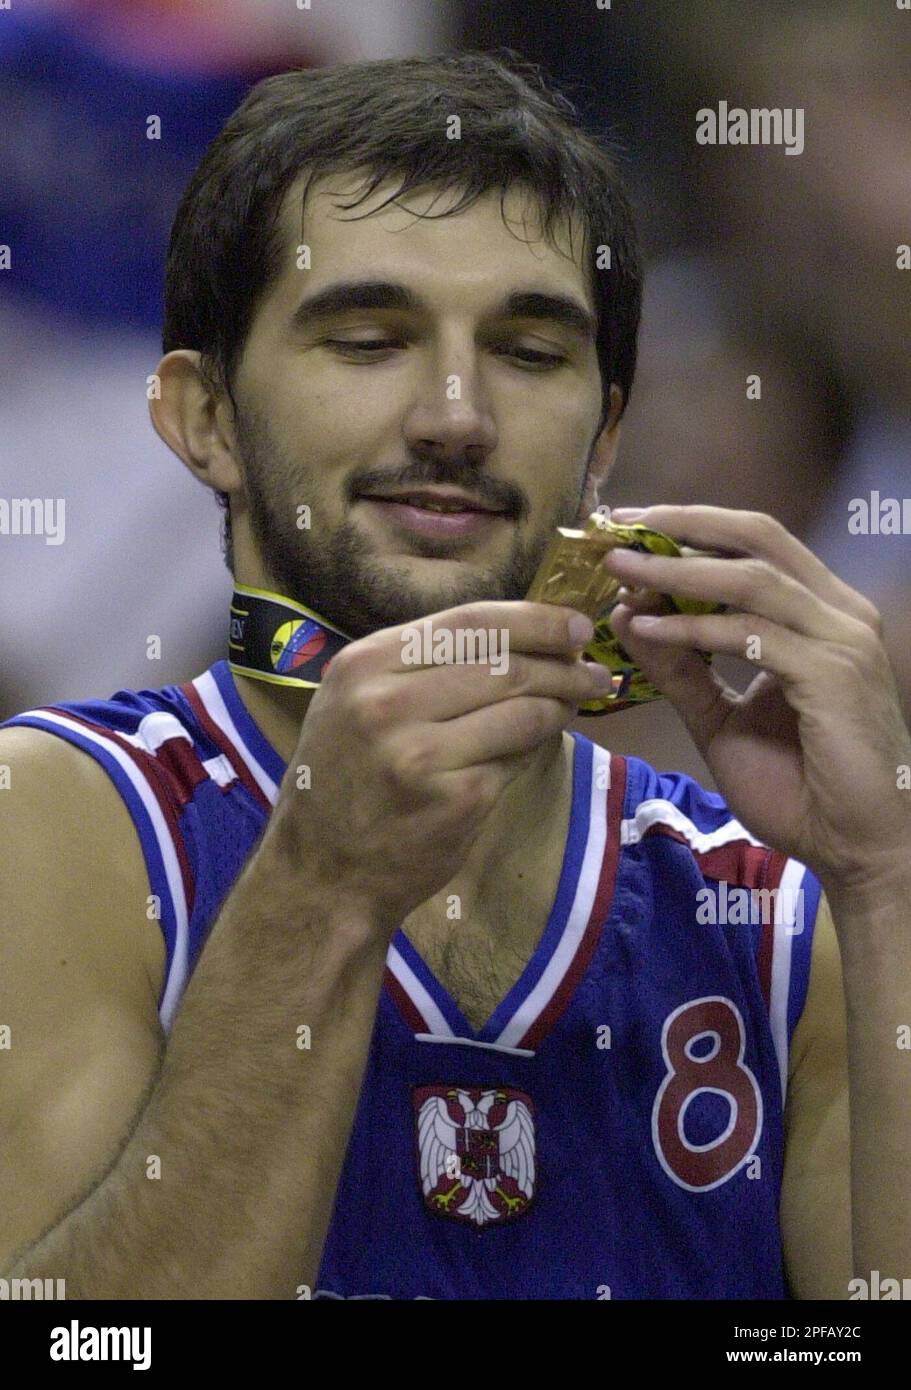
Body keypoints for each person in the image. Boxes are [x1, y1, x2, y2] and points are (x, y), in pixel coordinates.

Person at [1, 52, 909, 1300]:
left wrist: (885, 880)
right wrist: (318, 898)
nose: (453, 414)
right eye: (368, 338)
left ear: (603, 439)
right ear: (203, 417)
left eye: (530, 354)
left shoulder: (773, 906)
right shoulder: (54, 819)